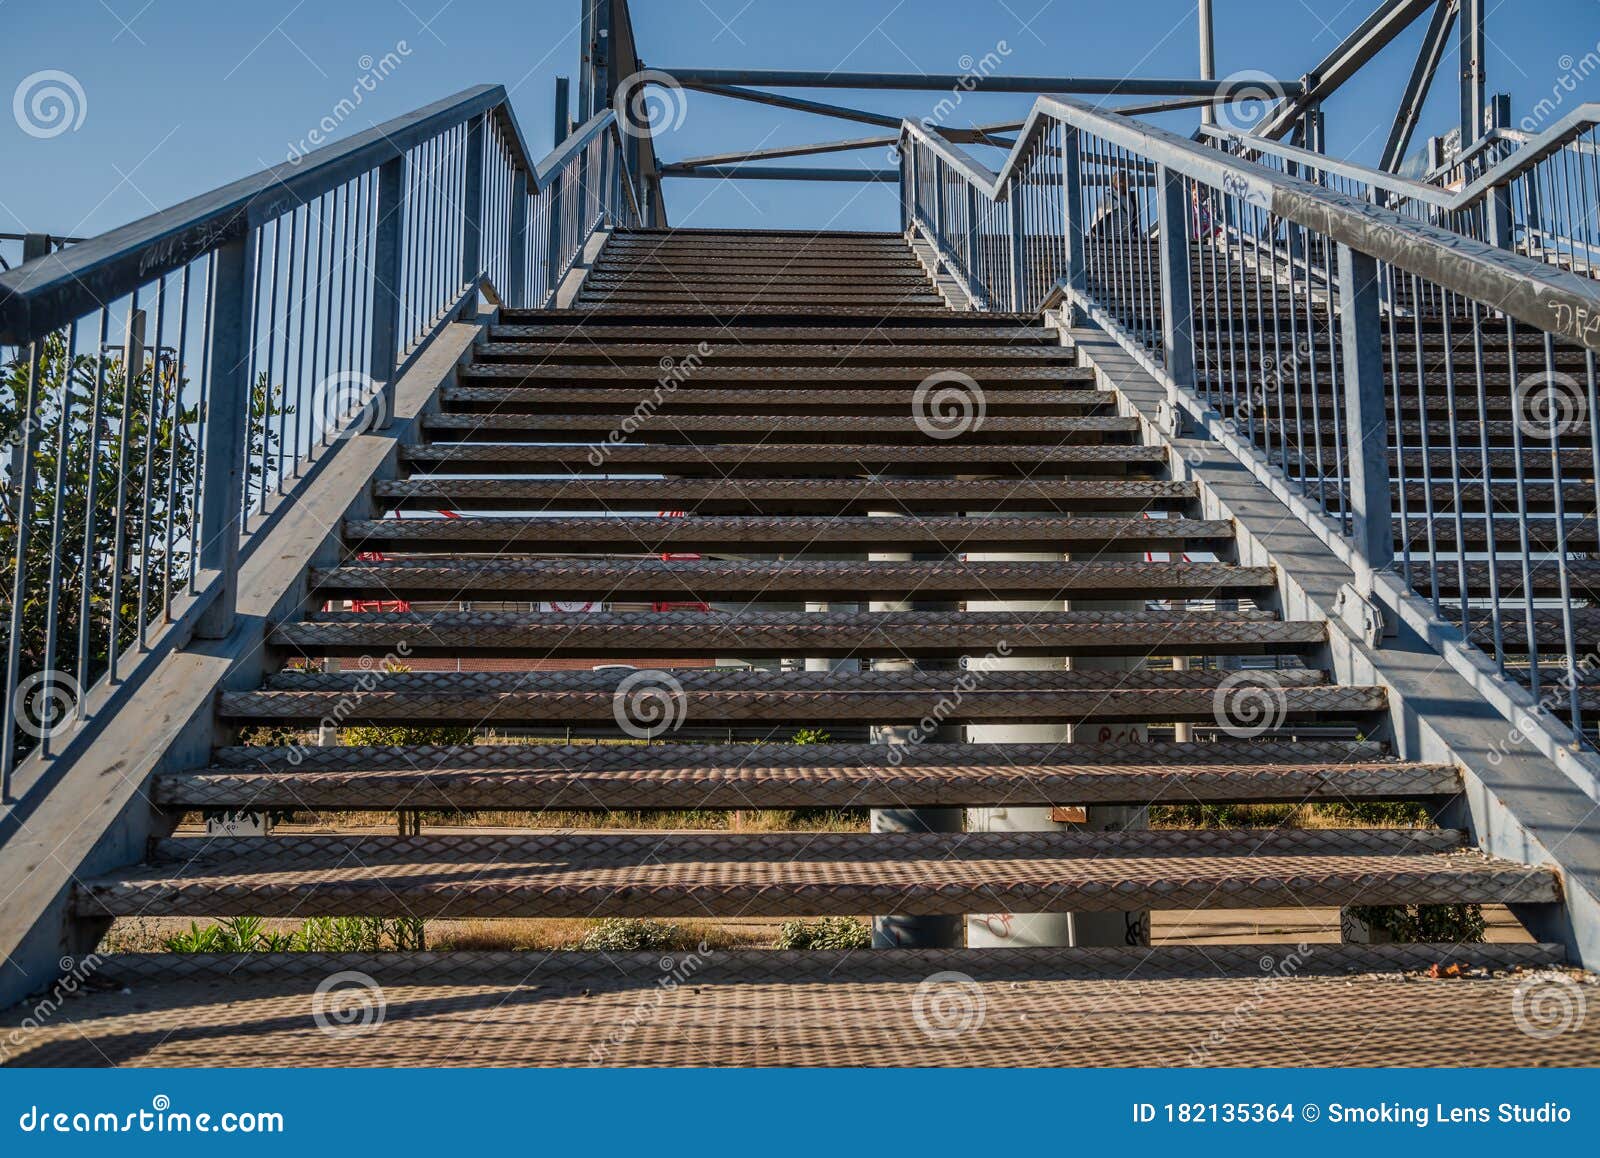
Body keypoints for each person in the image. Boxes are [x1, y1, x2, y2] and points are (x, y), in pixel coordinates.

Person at [1089, 170, 1141, 239]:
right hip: (1110, 240)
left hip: (1127, 241)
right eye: (1126, 181)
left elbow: (1135, 222)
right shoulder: (1107, 197)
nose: (1129, 184)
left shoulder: (1132, 199)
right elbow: (1097, 219)